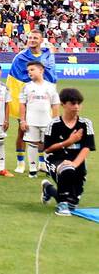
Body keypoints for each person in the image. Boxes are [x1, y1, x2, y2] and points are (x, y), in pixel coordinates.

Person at [9, 30, 57, 173]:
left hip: (44, 99)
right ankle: (20, 162)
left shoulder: (48, 56)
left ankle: (42, 162)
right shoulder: (20, 57)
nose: (32, 40)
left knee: (44, 133)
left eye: (35, 38)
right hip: (27, 97)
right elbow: (14, 79)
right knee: (22, 131)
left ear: (41, 40)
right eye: (30, 37)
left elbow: (52, 75)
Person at [40, 88, 93, 216]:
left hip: (76, 161)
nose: (77, 107)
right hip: (56, 159)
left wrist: (75, 164)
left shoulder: (86, 123)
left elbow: (86, 148)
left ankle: (48, 189)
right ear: (63, 104)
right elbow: (47, 149)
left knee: (73, 203)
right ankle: (61, 205)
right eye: (73, 103)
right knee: (67, 170)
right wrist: (68, 142)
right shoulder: (54, 124)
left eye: (79, 103)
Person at [18, 60, 60, 178]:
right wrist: (22, 120)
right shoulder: (26, 87)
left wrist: (55, 122)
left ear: (41, 70)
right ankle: (32, 169)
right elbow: (22, 104)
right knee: (32, 144)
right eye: (28, 71)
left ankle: (48, 168)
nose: (29, 73)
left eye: (32, 70)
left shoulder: (50, 87)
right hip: (31, 121)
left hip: (47, 122)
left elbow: (55, 105)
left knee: (48, 145)